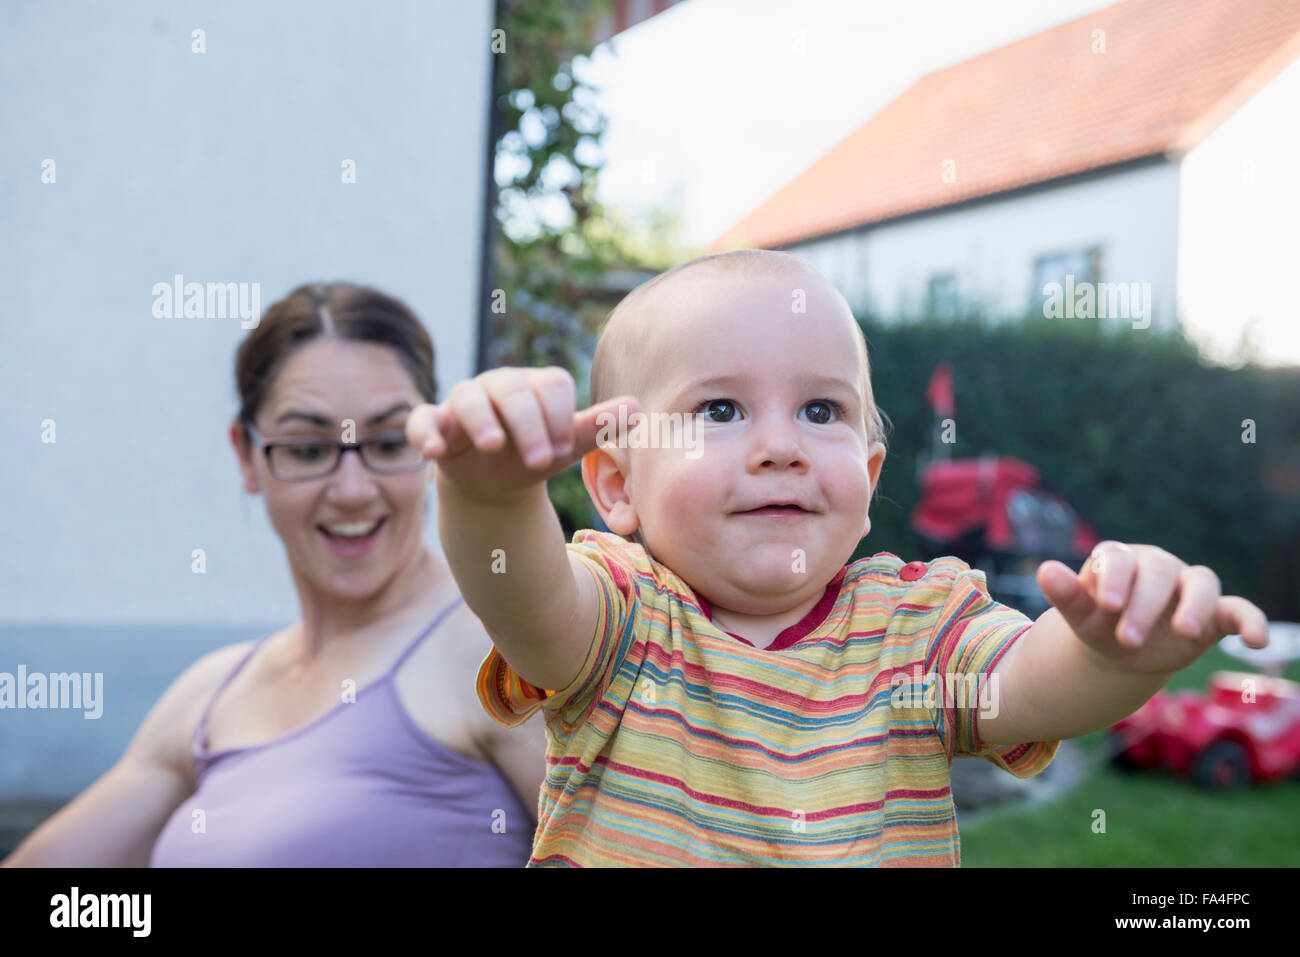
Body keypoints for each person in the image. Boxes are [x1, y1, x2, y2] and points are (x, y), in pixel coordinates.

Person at [405, 249, 1270, 867]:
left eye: (822, 412)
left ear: (867, 477)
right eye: (719, 410)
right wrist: (489, 499)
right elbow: (522, 597)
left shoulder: (915, 628)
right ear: (617, 486)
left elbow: (1033, 683)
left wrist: (1114, 655)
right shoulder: (624, 619)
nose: (781, 445)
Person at [3, 282, 545, 867]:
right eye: (308, 450)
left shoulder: (499, 648)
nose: (353, 490)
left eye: (389, 443)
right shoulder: (211, 692)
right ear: (247, 456)